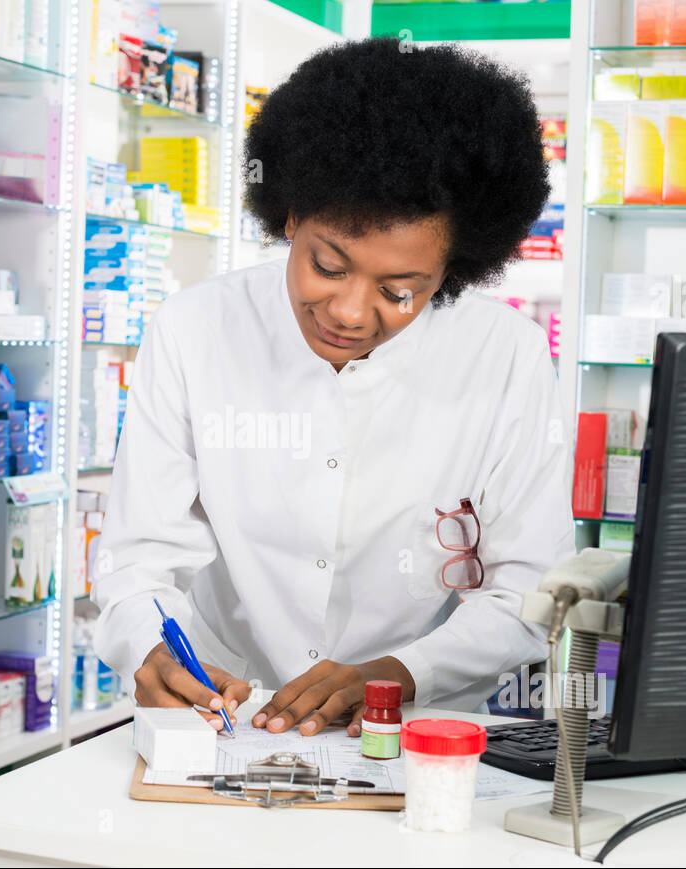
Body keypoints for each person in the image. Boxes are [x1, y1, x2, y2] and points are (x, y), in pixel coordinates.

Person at [92, 37, 574, 738]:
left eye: (399, 290)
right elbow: (136, 559)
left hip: (415, 737)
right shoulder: (195, 330)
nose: (350, 310)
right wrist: (150, 644)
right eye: (327, 264)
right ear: (289, 215)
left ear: (455, 270)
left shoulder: (507, 358)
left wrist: (401, 673)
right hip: (225, 721)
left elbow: (532, 594)